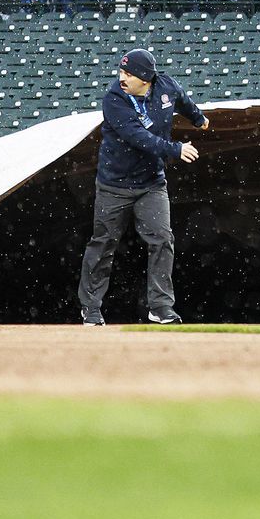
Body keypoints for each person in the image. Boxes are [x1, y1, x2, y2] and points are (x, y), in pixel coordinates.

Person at [79, 48, 206, 326]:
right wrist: (175, 149)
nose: (121, 78)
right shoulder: (114, 99)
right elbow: (138, 137)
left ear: (146, 78)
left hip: (151, 184)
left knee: (162, 239)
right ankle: (90, 308)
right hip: (114, 185)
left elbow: (182, 100)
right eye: (121, 72)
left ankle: (160, 307)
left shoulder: (166, 86)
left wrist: (198, 118)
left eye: (128, 74)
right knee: (103, 244)